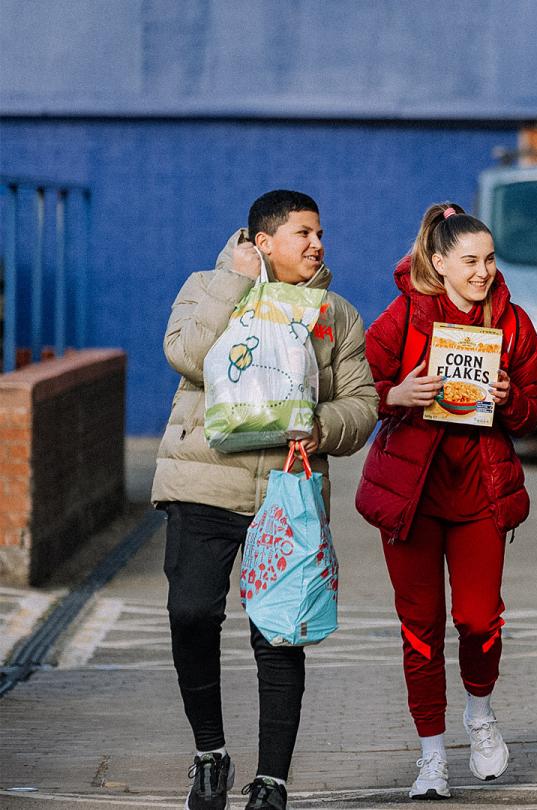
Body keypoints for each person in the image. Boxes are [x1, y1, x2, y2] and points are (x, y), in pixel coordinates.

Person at [153, 190, 378, 810]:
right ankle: (209, 753)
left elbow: (362, 406)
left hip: (289, 489)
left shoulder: (335, 314)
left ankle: (272, 782)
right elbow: (186, 356)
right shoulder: (207, 287)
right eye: (303, 233)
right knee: (191, 614)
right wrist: (236, 283)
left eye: (320, 233)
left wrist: (314, 423)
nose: (317, 244)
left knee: (279, 634)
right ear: (263, 241)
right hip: (203, 479)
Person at [354, 203, 537, 799]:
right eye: (470, 261)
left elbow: (533, 411)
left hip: (481, 496)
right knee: (421, 628)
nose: (483, 271)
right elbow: (355, 388)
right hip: (411, 497)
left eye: (490, 260)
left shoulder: (511, 325)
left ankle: (480, 715)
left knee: (479, 620)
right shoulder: (406, 315)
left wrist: (511, 396)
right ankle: (431, 755)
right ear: (439, 264)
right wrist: (397, 394)